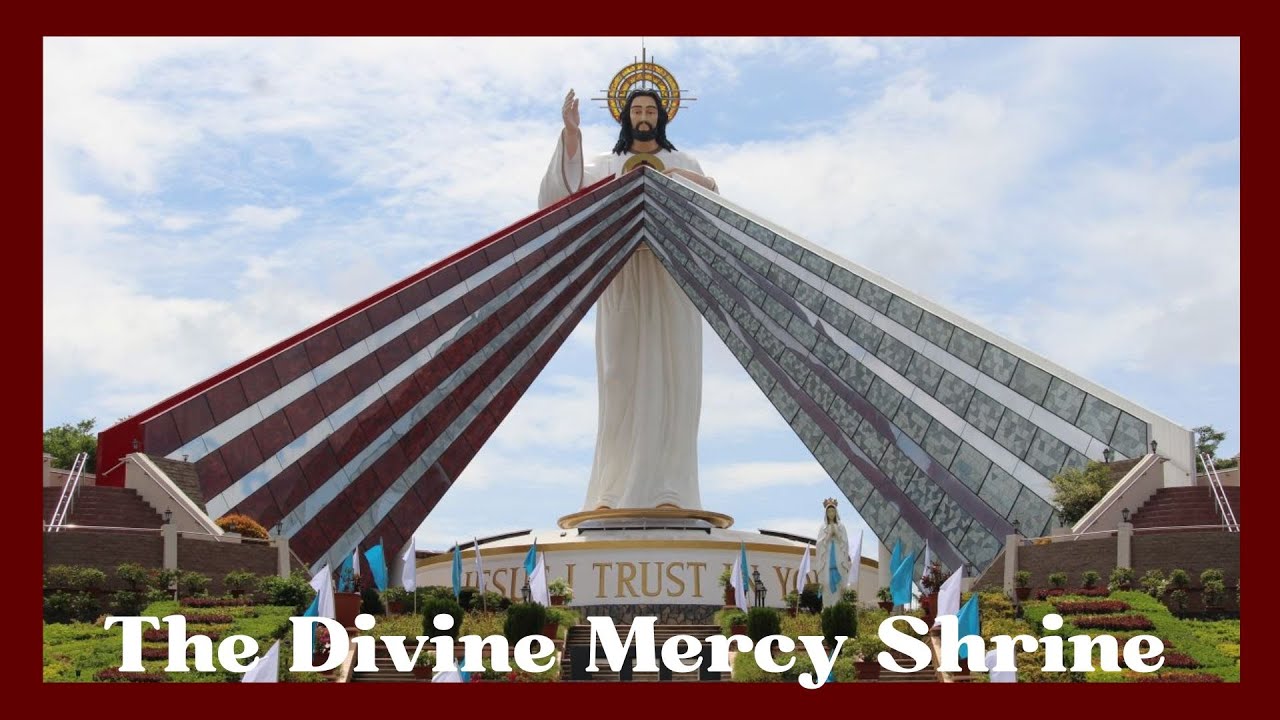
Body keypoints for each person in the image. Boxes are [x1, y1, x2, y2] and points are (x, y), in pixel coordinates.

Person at [538, 88, 717, 511]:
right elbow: (566, 192)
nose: (642, 116)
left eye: (649, 110)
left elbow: (713, 196)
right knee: (619, 378)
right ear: (625, 116)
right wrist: (571, 136)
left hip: (670, 280)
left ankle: (670, 491)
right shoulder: (607, 163)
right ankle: (612, 490)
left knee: (675, 380)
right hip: (622, 276)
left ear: (662, 116)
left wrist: (681, 179)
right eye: (636, 110)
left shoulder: (682, 162)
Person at [814, 498, 854, 608]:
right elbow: (819, 544)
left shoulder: (841, 527)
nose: (831, 513)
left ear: (836, 512)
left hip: (838, 559)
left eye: (832, 511)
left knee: (838, 586)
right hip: (827, 561)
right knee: (826, 585)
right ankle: (826, 608)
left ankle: (838, 608)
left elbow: (845, 543)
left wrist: (837, 534)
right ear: (826, 513)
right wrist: (827, 536)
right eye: (829, 511)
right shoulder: (823, 527)